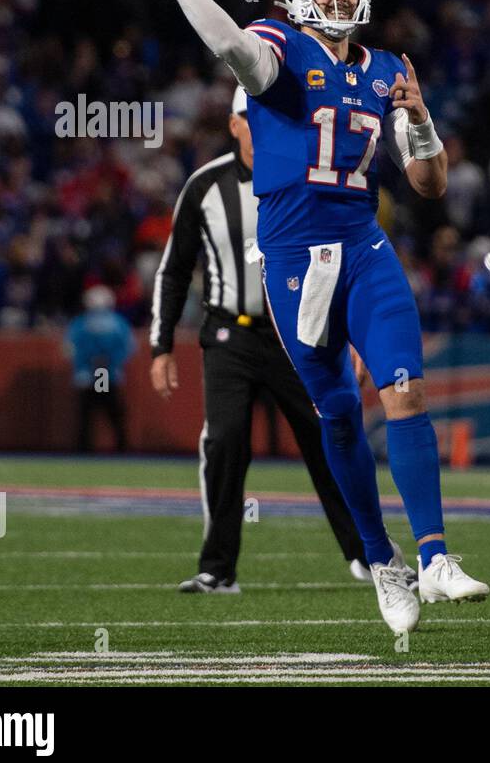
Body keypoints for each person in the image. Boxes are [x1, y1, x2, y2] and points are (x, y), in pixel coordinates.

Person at [123, 0, 489, 634]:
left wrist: (420, 121)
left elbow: (429, 183)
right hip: (294, 262)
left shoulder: (386, 68)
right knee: (339, 415)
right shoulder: (279, 47)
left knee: (405, 392)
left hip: (365, 248)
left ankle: (437, 556)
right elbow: (230, 46)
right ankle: (383, 561)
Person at [151, 86, 370, 593]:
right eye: (251, 118)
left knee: (330, 438)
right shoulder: (205, 186)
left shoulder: (306, 179)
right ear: (233, 125)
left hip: (301, 334)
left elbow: (343, 260)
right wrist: (161, 345)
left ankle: (367, 554)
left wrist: (352, 335)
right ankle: (217, 568)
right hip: (230, 334)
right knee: (225, 440)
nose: (260, 126)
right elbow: (173, 270)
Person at [65, 285, 133, 452]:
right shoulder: (118, 323)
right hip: (106, 372)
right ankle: (121, 447)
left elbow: (69, 349)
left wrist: (87, 362)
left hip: (88, 374)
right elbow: (128, 348)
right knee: (112, 412)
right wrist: (110, 362)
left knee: (87, 413)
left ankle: (84, 448)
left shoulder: (80, 323)